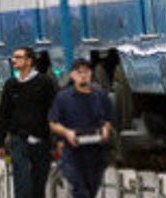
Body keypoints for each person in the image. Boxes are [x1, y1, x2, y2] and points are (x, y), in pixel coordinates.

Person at [48, 58, 115, 198]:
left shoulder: (101, 97)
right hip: (72, 152)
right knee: (80, 190)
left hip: (95, 152)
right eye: (79, 72)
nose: (83, 75)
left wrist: (105, 129)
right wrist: (67, 132)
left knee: (91, 190)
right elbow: (53, 122)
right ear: (72, 75)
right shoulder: (63, 97)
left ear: (91, 74)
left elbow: (108, 119)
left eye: (86, 72)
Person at [0, 47, 57, 198]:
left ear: (29, 61)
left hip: (41, 141)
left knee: (38, 185)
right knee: (23, 184)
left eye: (18, 57)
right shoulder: (11, 85)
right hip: (19, 140)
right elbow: (4, 114)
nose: (14, 60)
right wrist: (0, 142)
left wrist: (56, 140)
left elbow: (54, 112)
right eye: (14, 57)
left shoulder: (44, 83)